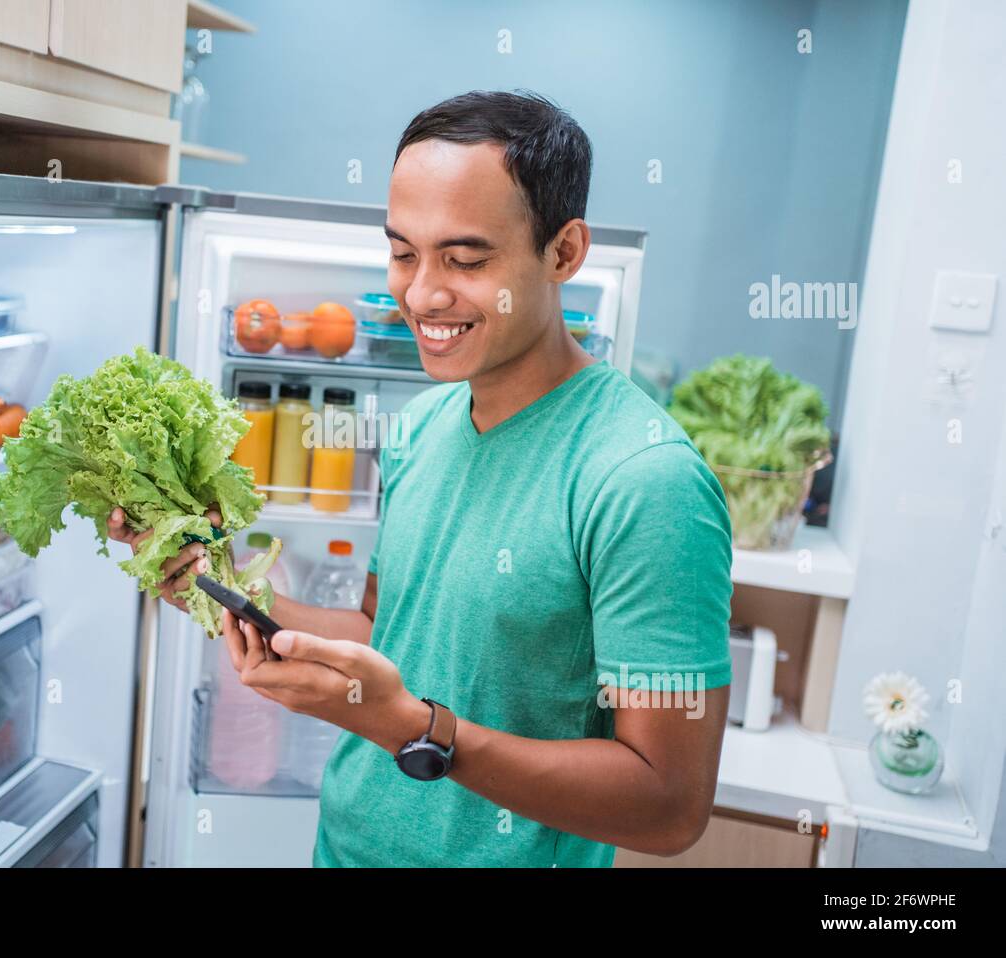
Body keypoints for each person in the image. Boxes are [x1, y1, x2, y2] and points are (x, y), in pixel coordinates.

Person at [109, 90, 733, 867]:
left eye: (466, 260)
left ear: (564, 253)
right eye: (404, 252)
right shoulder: (423, 428)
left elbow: (670, 806)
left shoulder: (646, 483)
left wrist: (416, 729)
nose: (422, 294)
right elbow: (388, 634)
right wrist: (222, 584)